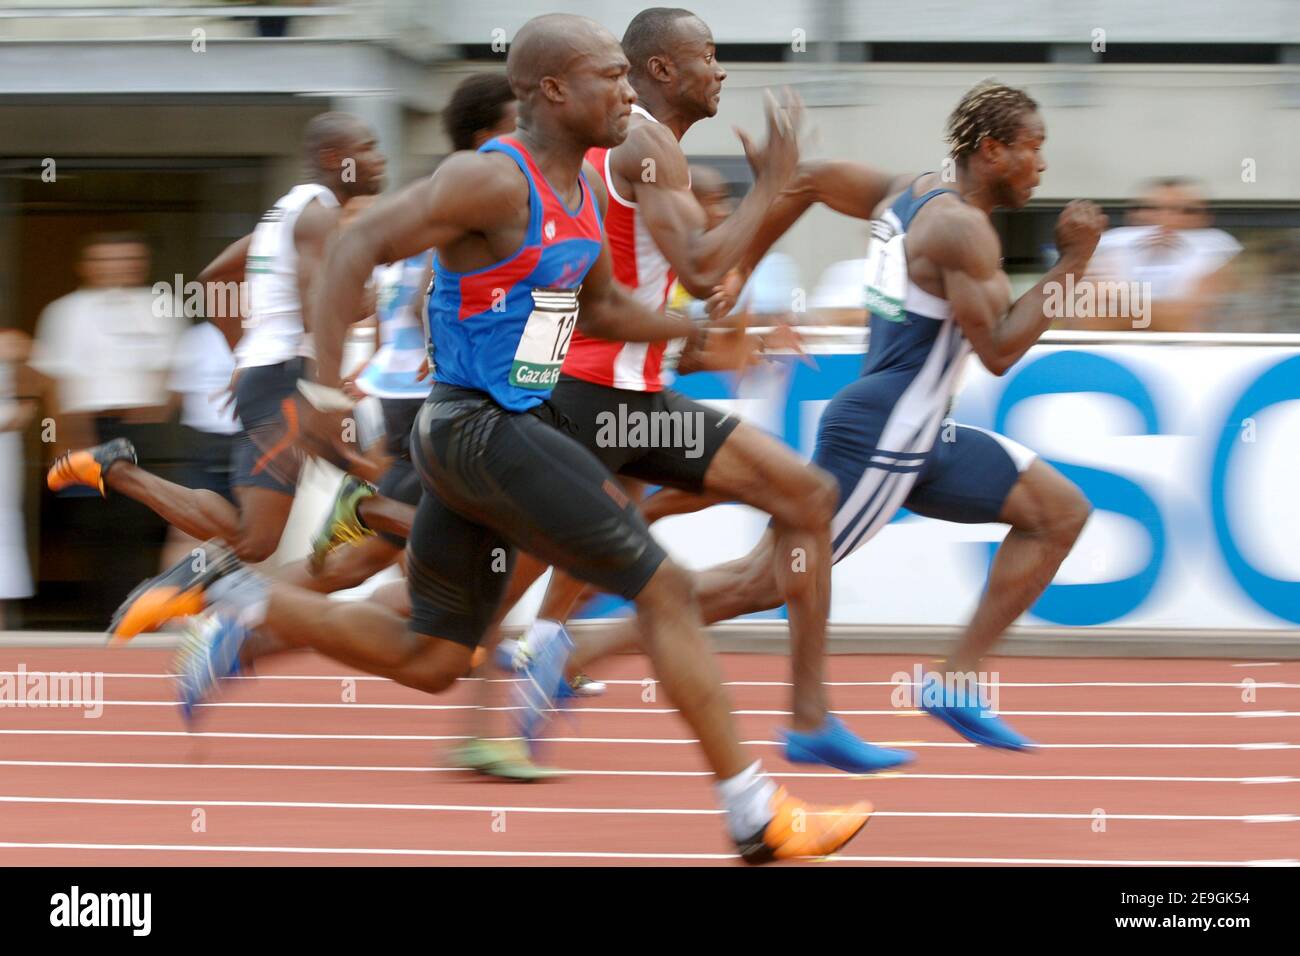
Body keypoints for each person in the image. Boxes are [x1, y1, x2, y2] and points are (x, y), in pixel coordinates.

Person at [109, 13, 872, 864]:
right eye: (610, 77)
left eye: (629, 76)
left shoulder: (580, 197)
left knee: (434, 655)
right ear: (552, 90)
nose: (627, 92)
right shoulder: (493, 181)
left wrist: (698, 340)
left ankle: (243, 596)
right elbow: (357, 242)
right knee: (659, 591)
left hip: (490, 434)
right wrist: (322, 387)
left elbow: (604, 311)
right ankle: (754, 814)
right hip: (478, 428)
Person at [567, 80, 1104, 752]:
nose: (1043, 165)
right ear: (993, 151)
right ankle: (571, 658)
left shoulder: (911, 192)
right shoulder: (962, 230)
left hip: (917, 431)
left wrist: (740, 273)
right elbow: (998, 349)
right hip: (887, 437)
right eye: (1034, 148)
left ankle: (957, 679)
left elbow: (812, 179)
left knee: (1059, 513)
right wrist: (1074, 262)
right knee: (757, 581)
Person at [459, 7, 900, 776]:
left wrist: (722, 311)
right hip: (592, 399)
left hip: (631, 401)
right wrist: (770, 184)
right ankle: (268, 619)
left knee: (803, 498)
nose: (720, 70)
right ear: (662, 71)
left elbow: (674, 273)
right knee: (493, 578)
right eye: (709, 54)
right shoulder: (641, 142)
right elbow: (697, 267)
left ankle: (807, 717)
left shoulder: (625, 146)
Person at [46, 113, 387, 564]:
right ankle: (119, 472)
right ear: (333, 158)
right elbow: (318, 310)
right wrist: (359, 314)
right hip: (287, 387)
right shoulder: (317, 215)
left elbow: (215, 276)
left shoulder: (285, 211)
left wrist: (243, 354)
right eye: (367, 148)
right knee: (258, 539)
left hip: (272, 379)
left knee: (385, 485)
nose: (379, 159)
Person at [1082, 177, 1240, 332]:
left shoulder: (1217, 247)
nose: (1168, 217)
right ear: (1133, 214)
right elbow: (1089, 318)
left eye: (1187, 210)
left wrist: (1121, 305)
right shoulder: (1112, 245)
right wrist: (1165, 312)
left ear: (1204, 217)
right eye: (1153, 208)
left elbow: (1189, 321)